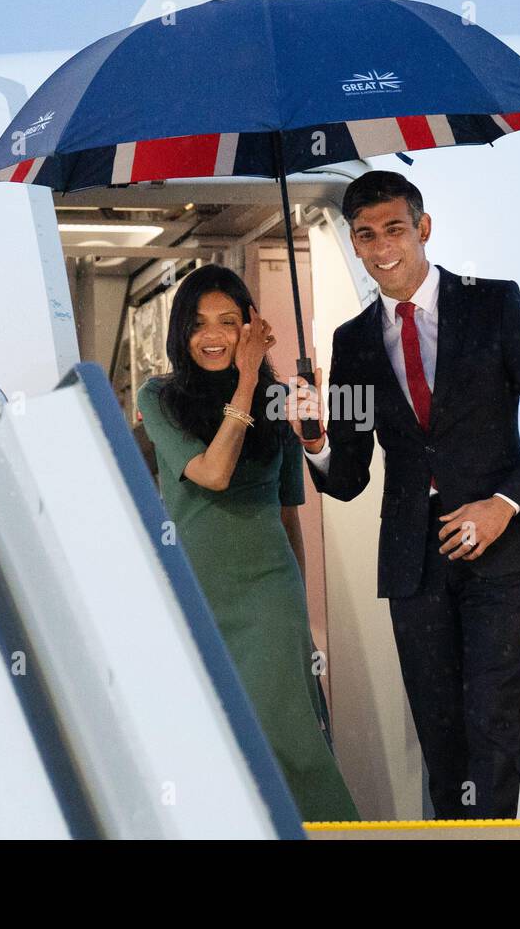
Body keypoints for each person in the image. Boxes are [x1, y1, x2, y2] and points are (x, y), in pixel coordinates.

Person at [286, 171, 520, 820]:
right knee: (442, 742)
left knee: (493, 736)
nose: (380, 246)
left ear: (423, 228)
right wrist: (314, 439)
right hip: (413, 564)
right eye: (364, 235)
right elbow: (350, 476)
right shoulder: (355, 343)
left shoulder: (493, 306)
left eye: (394, 228)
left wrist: (504, 506)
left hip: (501, 555)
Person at [135, 263, 359, 823]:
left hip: (268, 596)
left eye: (229, 322)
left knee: (291, 739)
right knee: (206, 738)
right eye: (199, 323)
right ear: (181, 333)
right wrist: (248, 376)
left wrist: (299, 613)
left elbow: (289, 514)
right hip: (193, 590)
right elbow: (213, 472)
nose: (213, 335)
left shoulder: (280, 399)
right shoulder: (158, 396)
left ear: (251, 326)